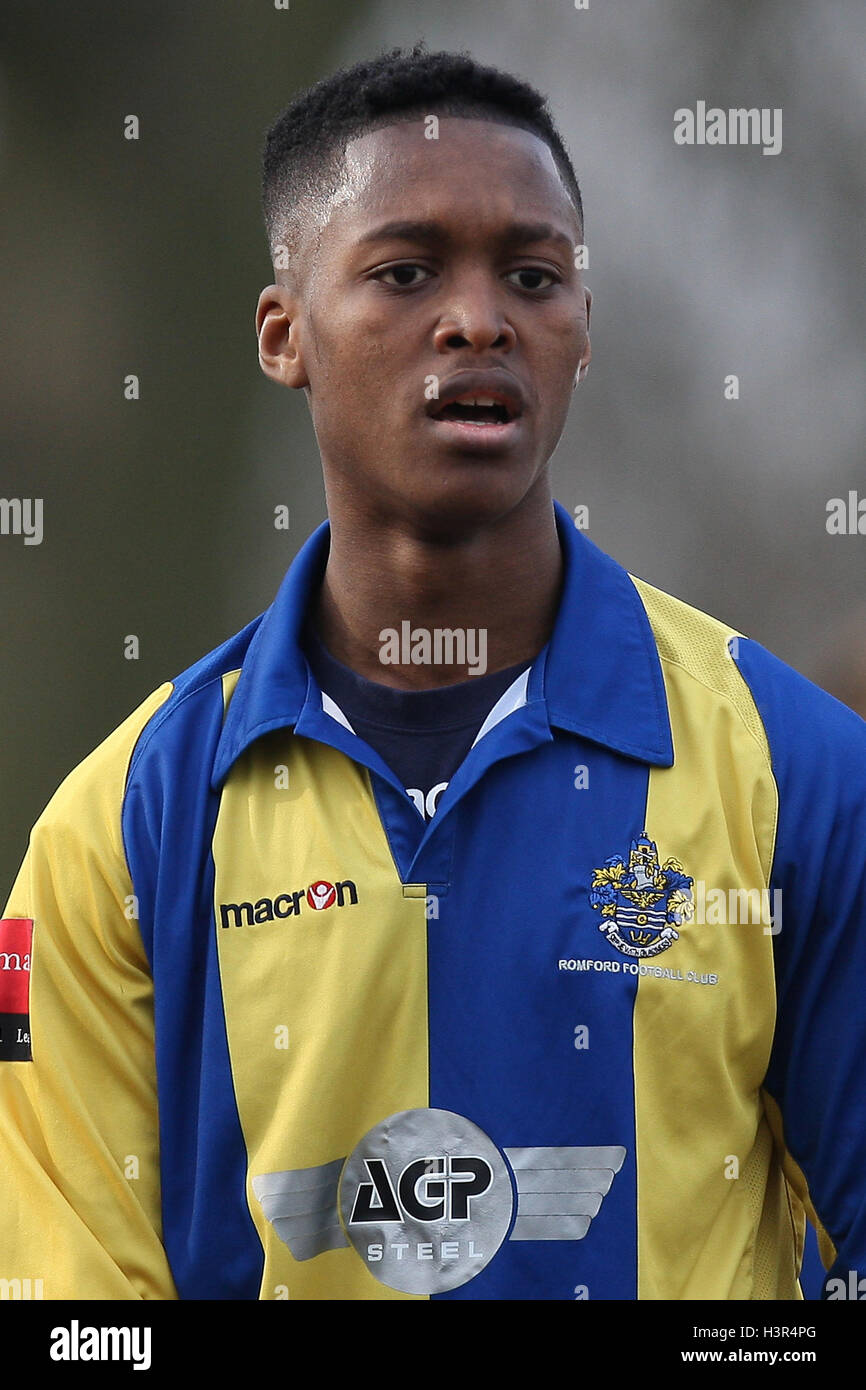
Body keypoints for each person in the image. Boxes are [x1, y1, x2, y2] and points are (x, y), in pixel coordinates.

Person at [1, 44, 864, 1302]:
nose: (478, 319)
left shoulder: (801, 775)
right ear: (283, 333)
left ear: (581, 333)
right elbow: (73, 1316)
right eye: (406, 273)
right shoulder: (111, 835)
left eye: (533, 276)